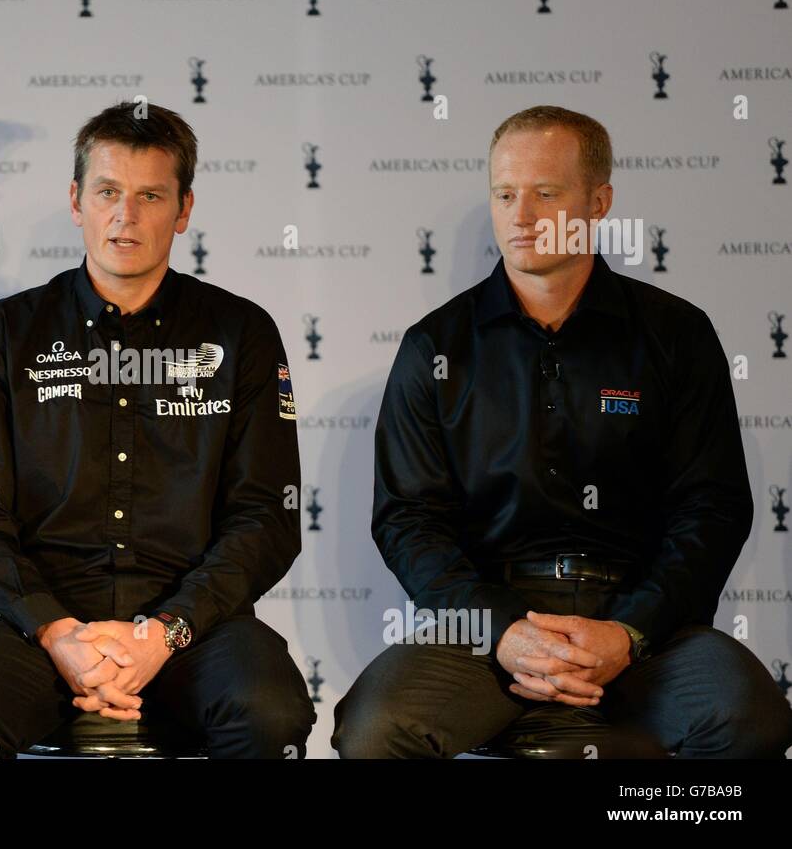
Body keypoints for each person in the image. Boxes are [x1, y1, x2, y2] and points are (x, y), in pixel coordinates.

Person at [332, 105, 792, 759]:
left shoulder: (676, 334)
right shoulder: (435, 346)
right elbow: (408, 519)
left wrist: (628, 631)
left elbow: (712, 506)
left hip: (647, 626)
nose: (520, 217)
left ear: (598, 201)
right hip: (488, 630)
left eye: (545, 194)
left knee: (752, 718)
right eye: (504, 194)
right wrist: (501, 628)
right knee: (375, 728)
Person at [0, 101, 315, 758]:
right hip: (42, 627)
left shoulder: (241, 333)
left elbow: (266, 516)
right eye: (108, 192)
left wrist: (165, 630)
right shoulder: (6, 334)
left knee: (269, 714)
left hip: (198, 629)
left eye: (150, 195)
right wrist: (57, 630)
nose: (125, 215)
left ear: (183, 210)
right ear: (77, 200)